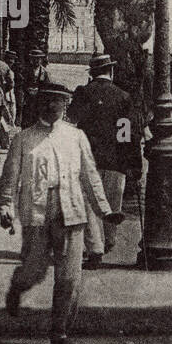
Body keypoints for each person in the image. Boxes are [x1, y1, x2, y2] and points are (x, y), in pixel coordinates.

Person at [0, 82, 120, 344]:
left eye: (59, 101)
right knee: (35, 270)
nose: (53, 106)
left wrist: (105, 211)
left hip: (71, 211)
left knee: (69, 278)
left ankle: (60, 332)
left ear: (66, 105)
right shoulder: (23, 139)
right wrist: (5, 207)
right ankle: (18, 288)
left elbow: (90, 177)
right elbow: (10, 178)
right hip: (37, 211)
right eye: (48, 100)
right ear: (39, 103)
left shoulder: (76, 136)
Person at [67, 54, 142, 268]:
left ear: (92, 73)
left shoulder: (84, 93)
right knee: (112, 202)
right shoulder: (123, 97)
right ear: (111, 71)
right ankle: (109, 241)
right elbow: (127, 133)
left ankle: (95, 248)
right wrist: (133, 164)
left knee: (91, 204)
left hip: (88, 159)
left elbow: (72, 119)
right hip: (116, 159)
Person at [24, 48, 50, 123]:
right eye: (34, 59)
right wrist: (27, 90)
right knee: (27, 118)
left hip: (39, 99)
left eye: (38, 59)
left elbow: (47, 86)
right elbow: (23, 84)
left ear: (41, 60)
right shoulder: (26, 70)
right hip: (28, 99)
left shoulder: (45, 72)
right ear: (31, 59)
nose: (36, 61)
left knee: (38, 118)